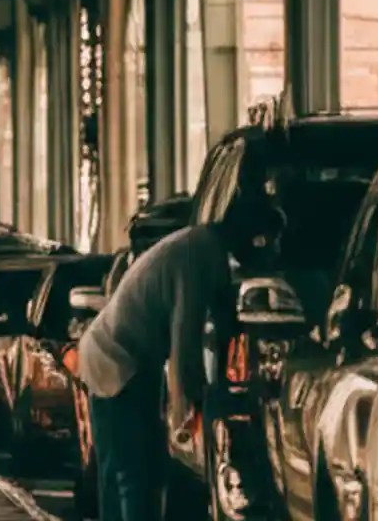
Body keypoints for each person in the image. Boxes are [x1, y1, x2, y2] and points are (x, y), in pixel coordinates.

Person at [77, 187, 280, 521]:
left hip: (128, 358)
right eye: (264, 243)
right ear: (247, 235)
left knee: (140, 467)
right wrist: (191, 404)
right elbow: (184, 339)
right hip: (115, 359)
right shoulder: (196, 256)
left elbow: (222, 314)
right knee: (130, 470)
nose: (266, 254)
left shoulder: (204, 249)